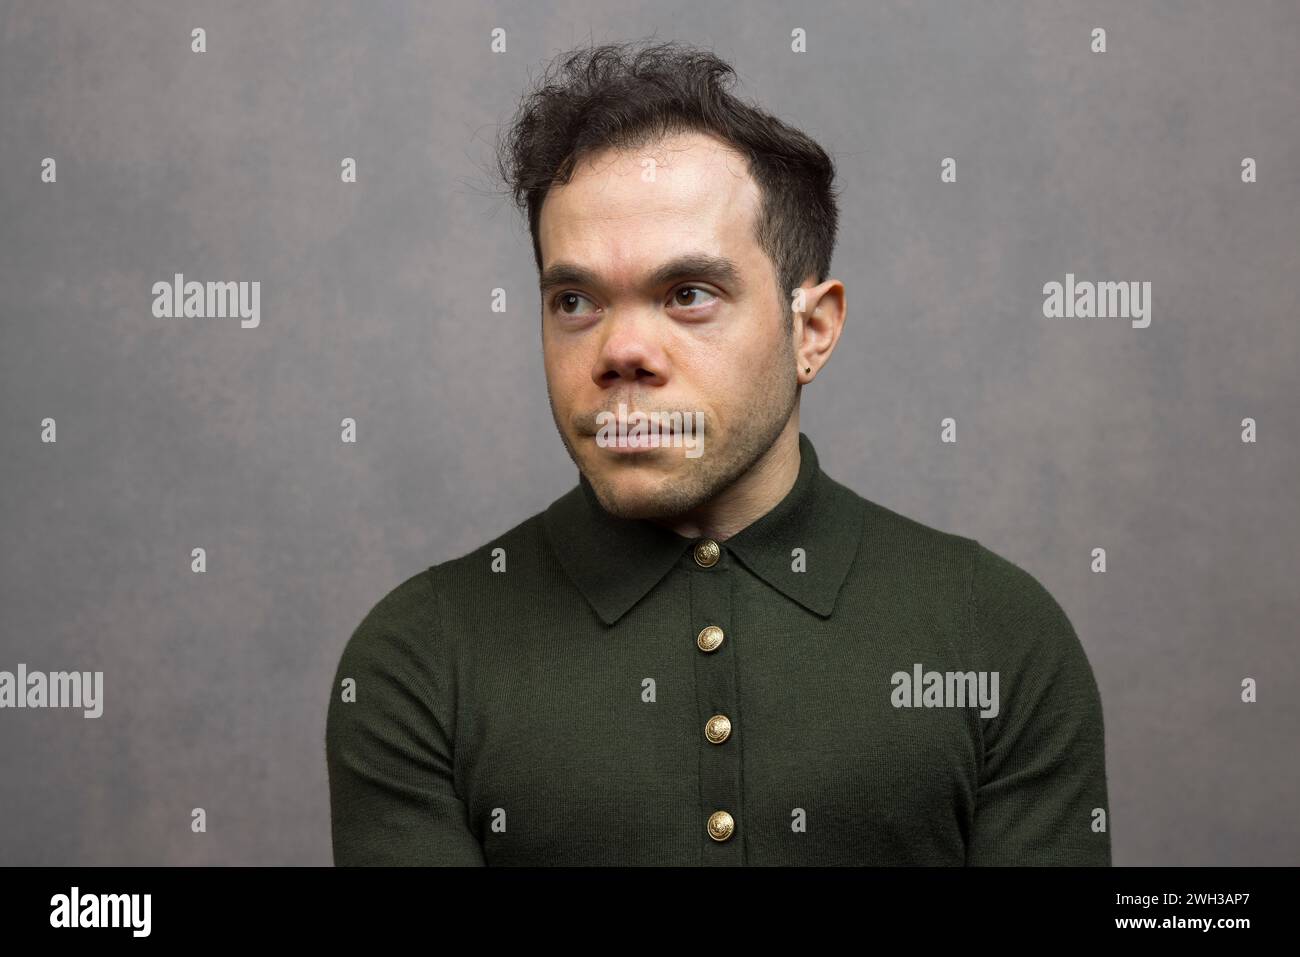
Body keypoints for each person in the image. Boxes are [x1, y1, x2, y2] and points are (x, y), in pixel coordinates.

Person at [325, 39, 1110, 866]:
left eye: (689, 294)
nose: (621, 350)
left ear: (812, 330)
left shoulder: (998, 635)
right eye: (575, 299)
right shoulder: (417, 661)